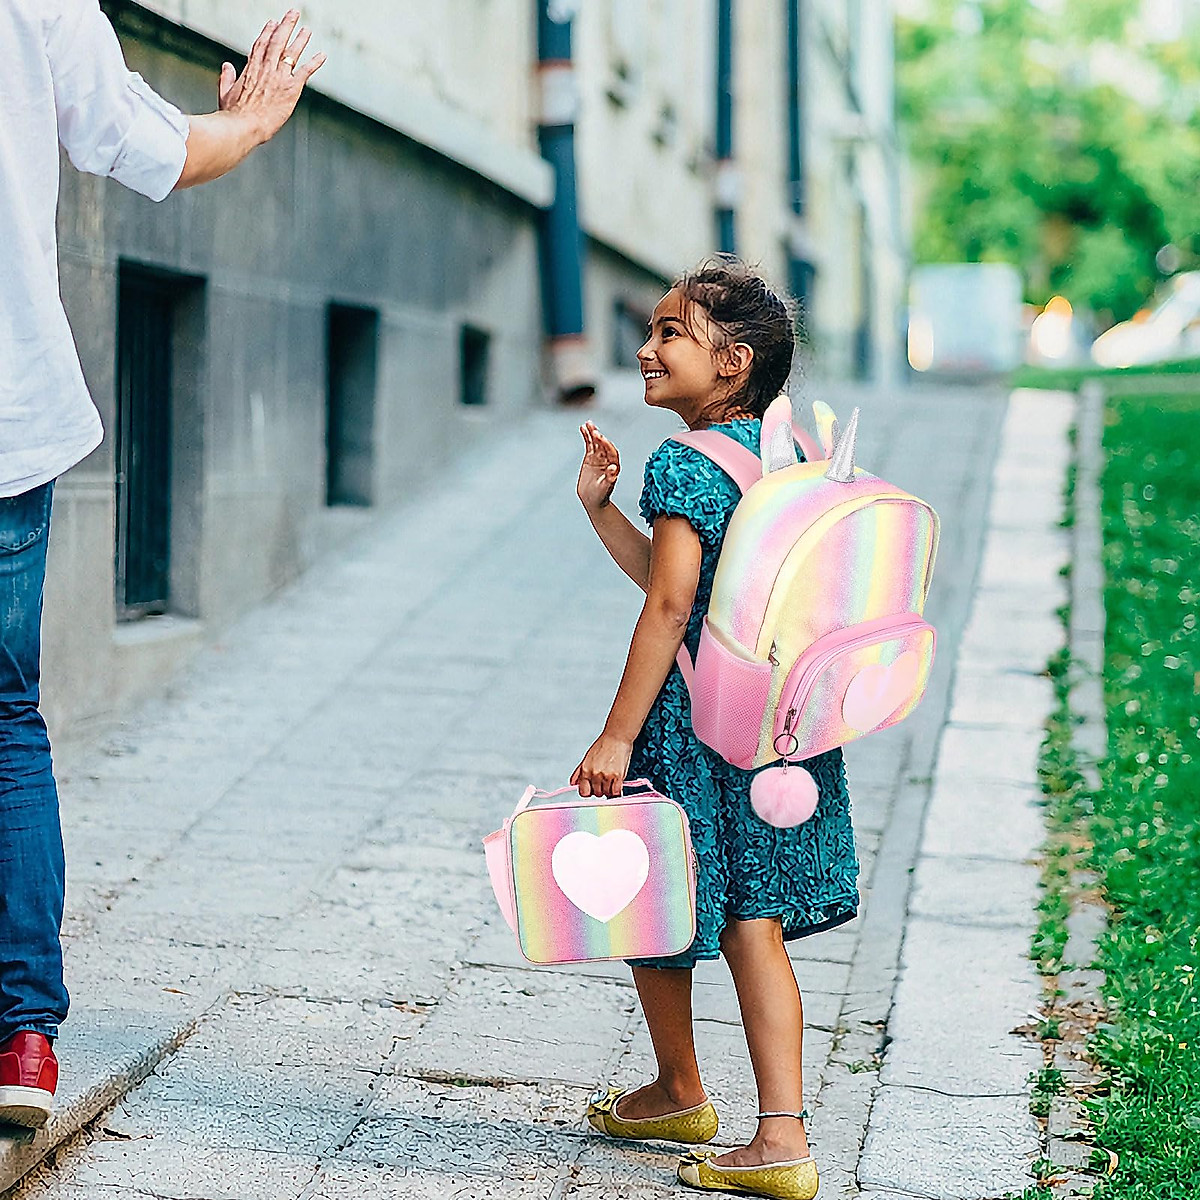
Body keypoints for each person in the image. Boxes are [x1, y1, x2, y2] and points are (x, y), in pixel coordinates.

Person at [0, 1, 325, 1129]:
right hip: (5, 414)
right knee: (4, 721)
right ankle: (23, 1040)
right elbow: (147, 147)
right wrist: (255, 125)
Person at [571, 259, 859, 1200]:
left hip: (695, 725)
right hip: (776, 722)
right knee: (752, 919)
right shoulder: (778, 455)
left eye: (668, 333)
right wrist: (602, 512)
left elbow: (665, 610)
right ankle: (762, 1122)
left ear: (730, 362)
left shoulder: (685, 461)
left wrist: (616, 737)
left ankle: (694, 1090)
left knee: (659, 891)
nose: (646, 348)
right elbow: (680, 582)